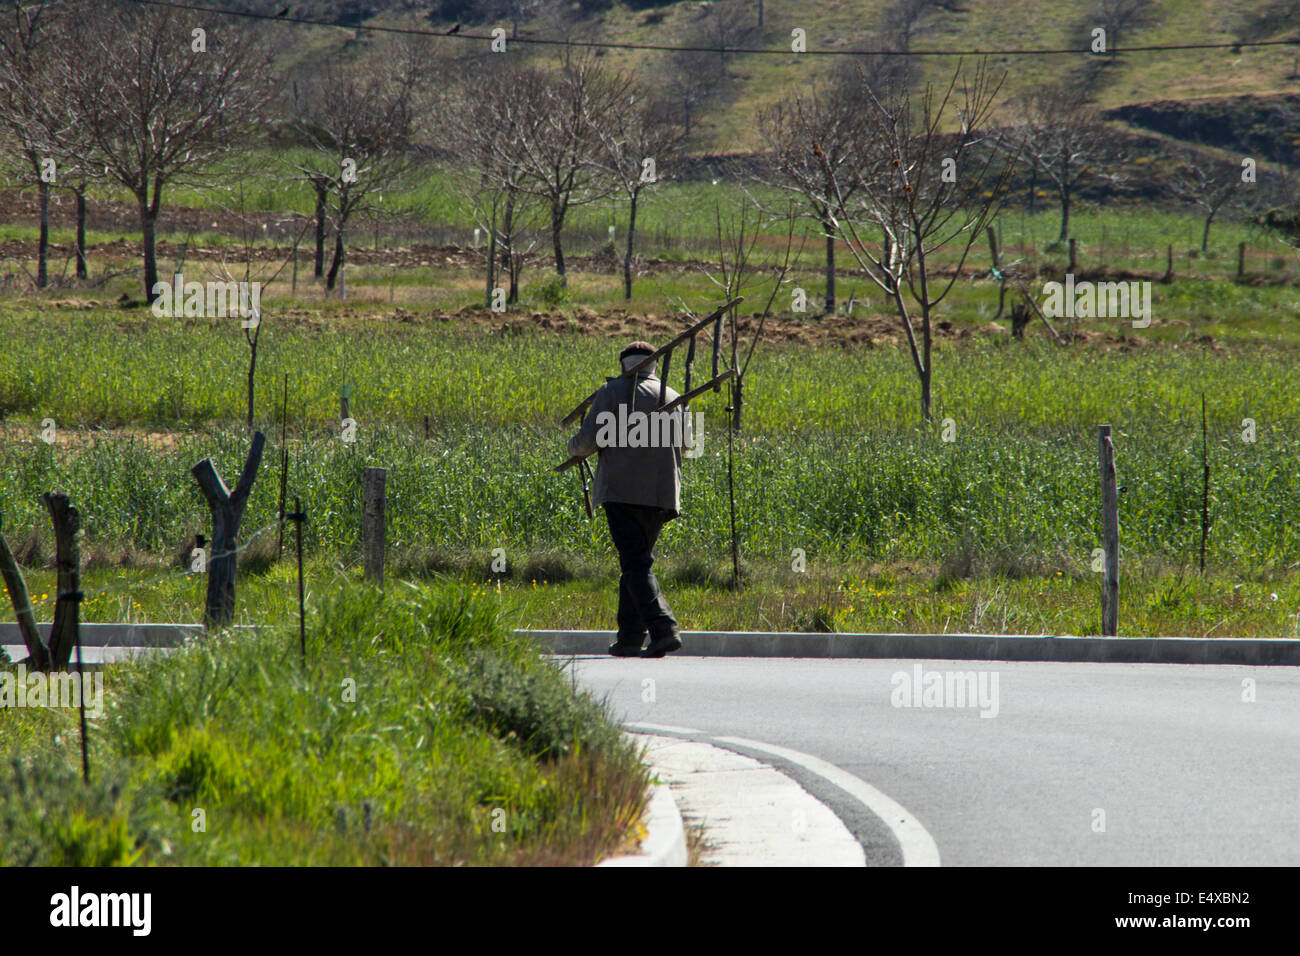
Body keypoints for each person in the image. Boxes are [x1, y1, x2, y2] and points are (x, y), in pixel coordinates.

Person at [568, 341, 688, 658]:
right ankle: (630, 638)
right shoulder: (674, 396)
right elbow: (688, 443)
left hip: (622, 492)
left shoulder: (611, 392)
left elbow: (586, 442)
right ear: (654, 366)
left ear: (624, 365)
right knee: (635, 563)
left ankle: (663, 630)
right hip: (663, 495)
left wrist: (572, 447)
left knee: (635, 563)